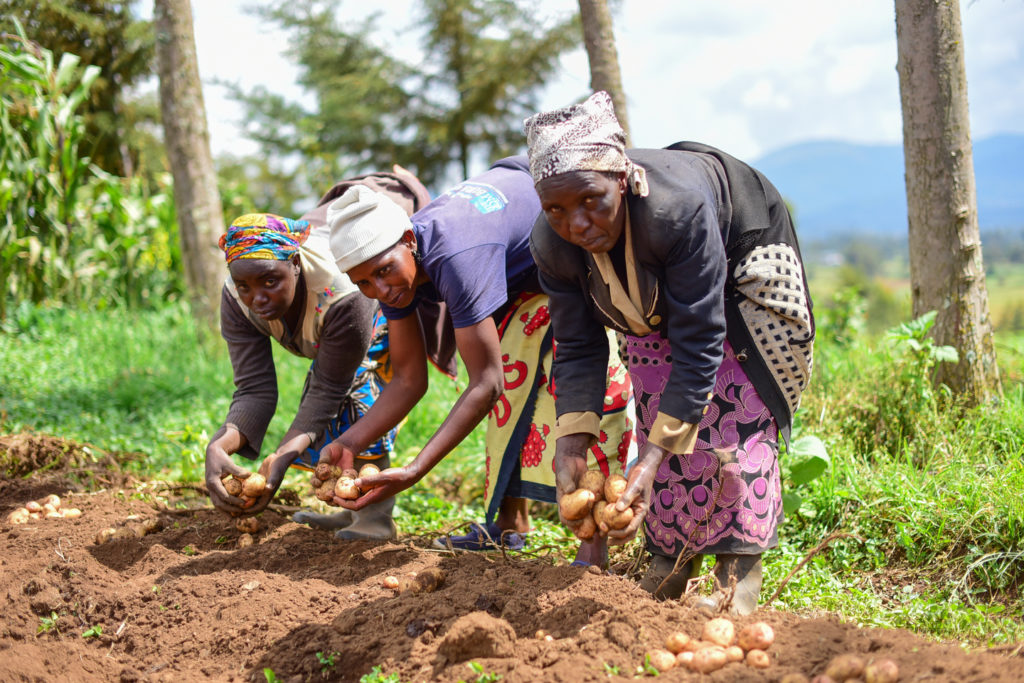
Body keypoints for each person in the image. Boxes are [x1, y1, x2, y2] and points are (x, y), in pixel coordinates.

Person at [524, 91, 814, 614]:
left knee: (734, 402)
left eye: (591, 199)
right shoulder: (552, 243)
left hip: (740, 258)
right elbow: (578, 345)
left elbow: (701, 342)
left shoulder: (676, 212)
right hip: (657, 282)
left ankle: (737, 572)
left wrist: (652, 459)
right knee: (656, 387)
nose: (577, 224)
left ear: (621, 178)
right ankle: (671, 558)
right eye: (556, 209)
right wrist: (571, 444)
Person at [320, 158, 634, 564]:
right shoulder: (395, 271)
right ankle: (510, 523)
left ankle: (595, 541)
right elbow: (409, 379)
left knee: (589, 386)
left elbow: (486, 384)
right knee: (513, 372)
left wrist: (415, 470)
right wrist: (349, 443)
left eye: (383, 272)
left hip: (574, 253)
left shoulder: (456, 255)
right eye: (363, 282)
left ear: (409, 240)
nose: (380, 289)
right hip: (522, 273)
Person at [204, 169, 448, 541]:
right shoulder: (236, 298)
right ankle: (348, 506)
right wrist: (219, 445)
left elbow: (329, 387)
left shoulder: (343, 292)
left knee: (358, 387)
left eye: (270, 281)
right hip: (343, 303)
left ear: (295, 265)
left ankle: (375, 516)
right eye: (245, 287)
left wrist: (282, 456)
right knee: (335, 396)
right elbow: (254, 388)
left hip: (377, 286)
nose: (258, 298)